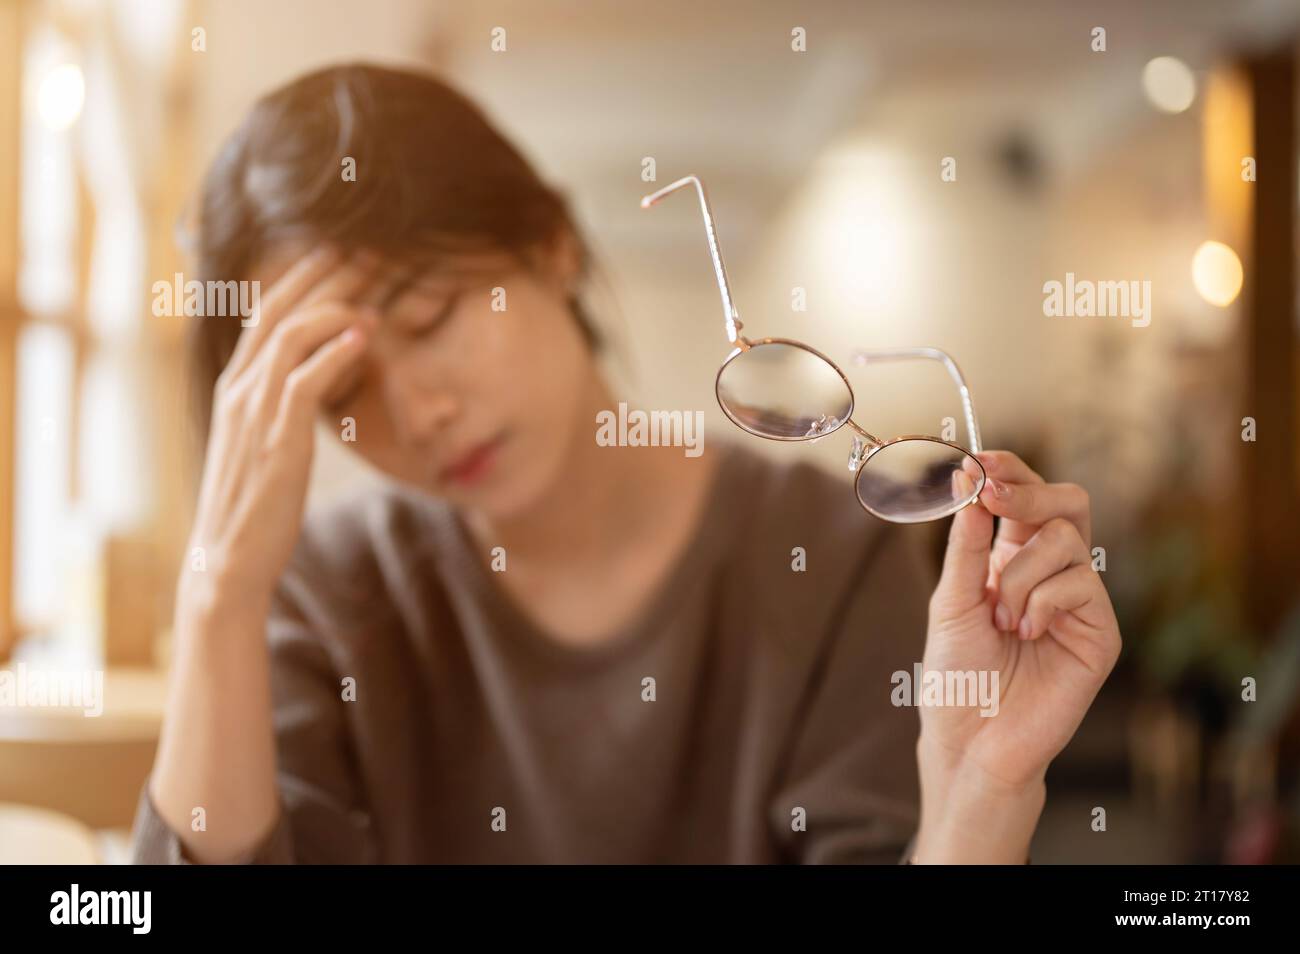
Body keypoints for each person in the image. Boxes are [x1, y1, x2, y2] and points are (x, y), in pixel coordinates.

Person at [131, 63, 1121, 864]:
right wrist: (218, 596)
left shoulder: (821, 552)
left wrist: (984, 795)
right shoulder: (322, 596)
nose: (419, 409)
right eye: (342, 394)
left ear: (551, 246)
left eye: (430, 317)